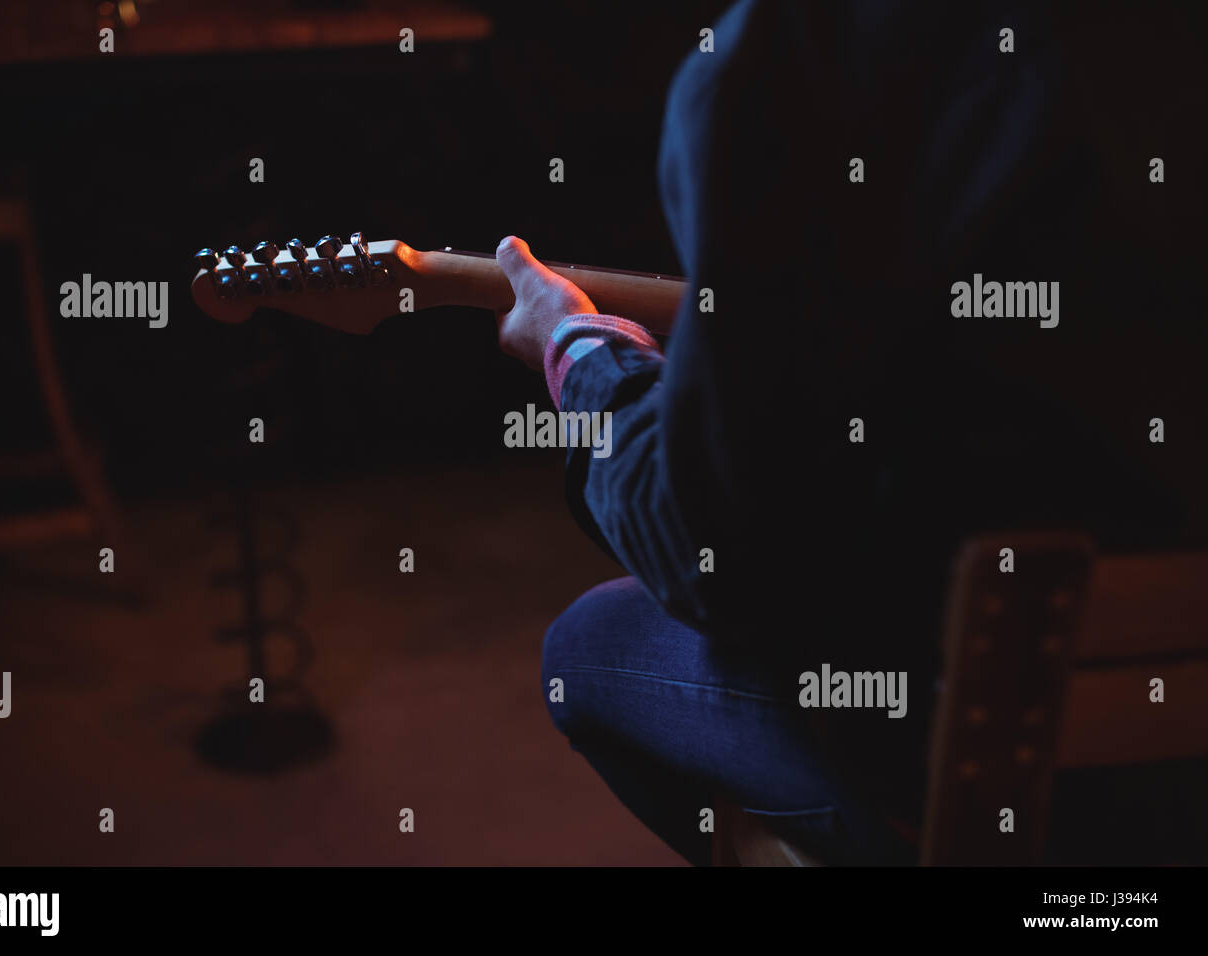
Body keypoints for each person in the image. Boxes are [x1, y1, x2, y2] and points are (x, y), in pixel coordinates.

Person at [492, 0, 1206, 865]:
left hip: (1000, 766)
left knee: (591, 643)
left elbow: (701, 549)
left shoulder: (791, 64)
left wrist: (578, 348)